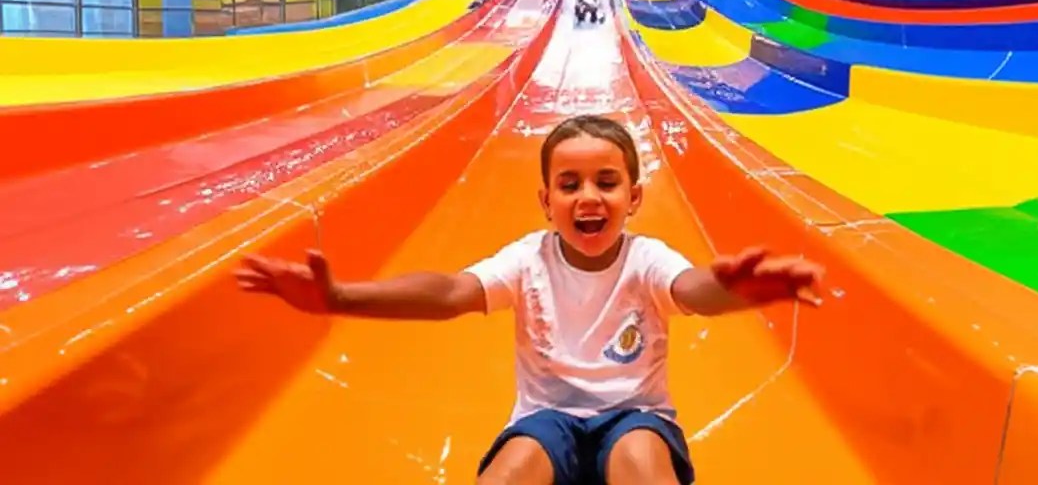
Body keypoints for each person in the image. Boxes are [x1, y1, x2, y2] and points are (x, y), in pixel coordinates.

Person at [235, 114, 825, 485]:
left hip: (635, 419)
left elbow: (691, 290)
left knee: (639, 458)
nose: (587, 197)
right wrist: (341, 297)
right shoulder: (528, 260)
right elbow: (450, 292)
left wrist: (734, 293)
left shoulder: (646, 258)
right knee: (515, 466)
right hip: (546, 424)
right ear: (546, 201)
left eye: (606, 182)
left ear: (635, 196)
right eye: (569, 185)